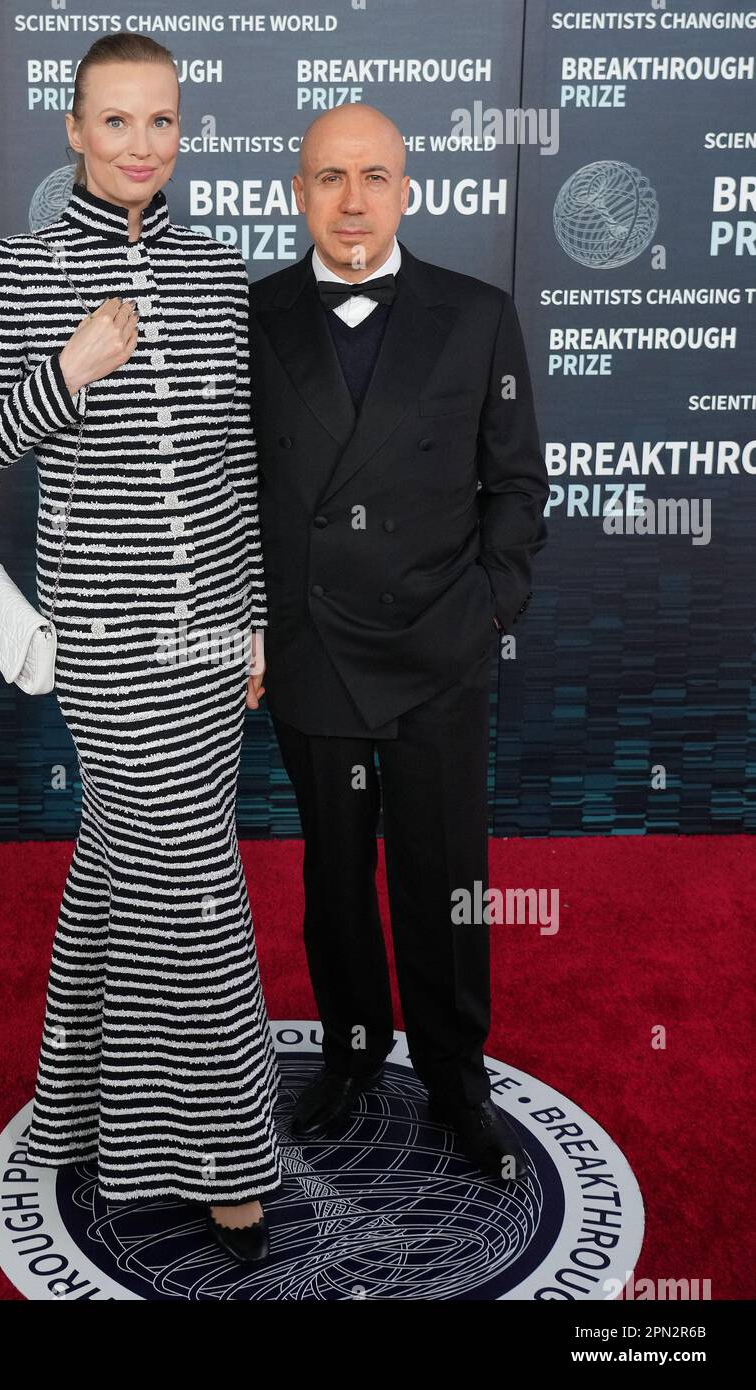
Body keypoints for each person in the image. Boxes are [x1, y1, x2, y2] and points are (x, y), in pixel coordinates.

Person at [0, 34, 280, 1263]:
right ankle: (211, 1154)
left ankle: (75, 1105)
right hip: (105, 639)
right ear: (72, 131)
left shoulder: (215, 270)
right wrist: (68, 369)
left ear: (182, 132)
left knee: (123, 861)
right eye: (115, 122)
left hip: (206, 636)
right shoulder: (17, 269)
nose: (139, 146)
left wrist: (250, 619)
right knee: (189, 876)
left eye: (161, 123)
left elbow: (237, 466)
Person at [248, 104, 548, 1179]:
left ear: (406, 188)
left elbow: (514, 486)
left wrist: (484, 613)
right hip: (312, 649)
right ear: (296, 191)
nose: (353, 200)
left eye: (373, 175)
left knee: (442, 874)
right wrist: (253, 626)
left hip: (439, 647)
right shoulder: (256, 314)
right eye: (329, 177)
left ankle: (457, 1079)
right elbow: (239, 494)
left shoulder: (475, 314)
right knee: (334, 878)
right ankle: (350, 1054)